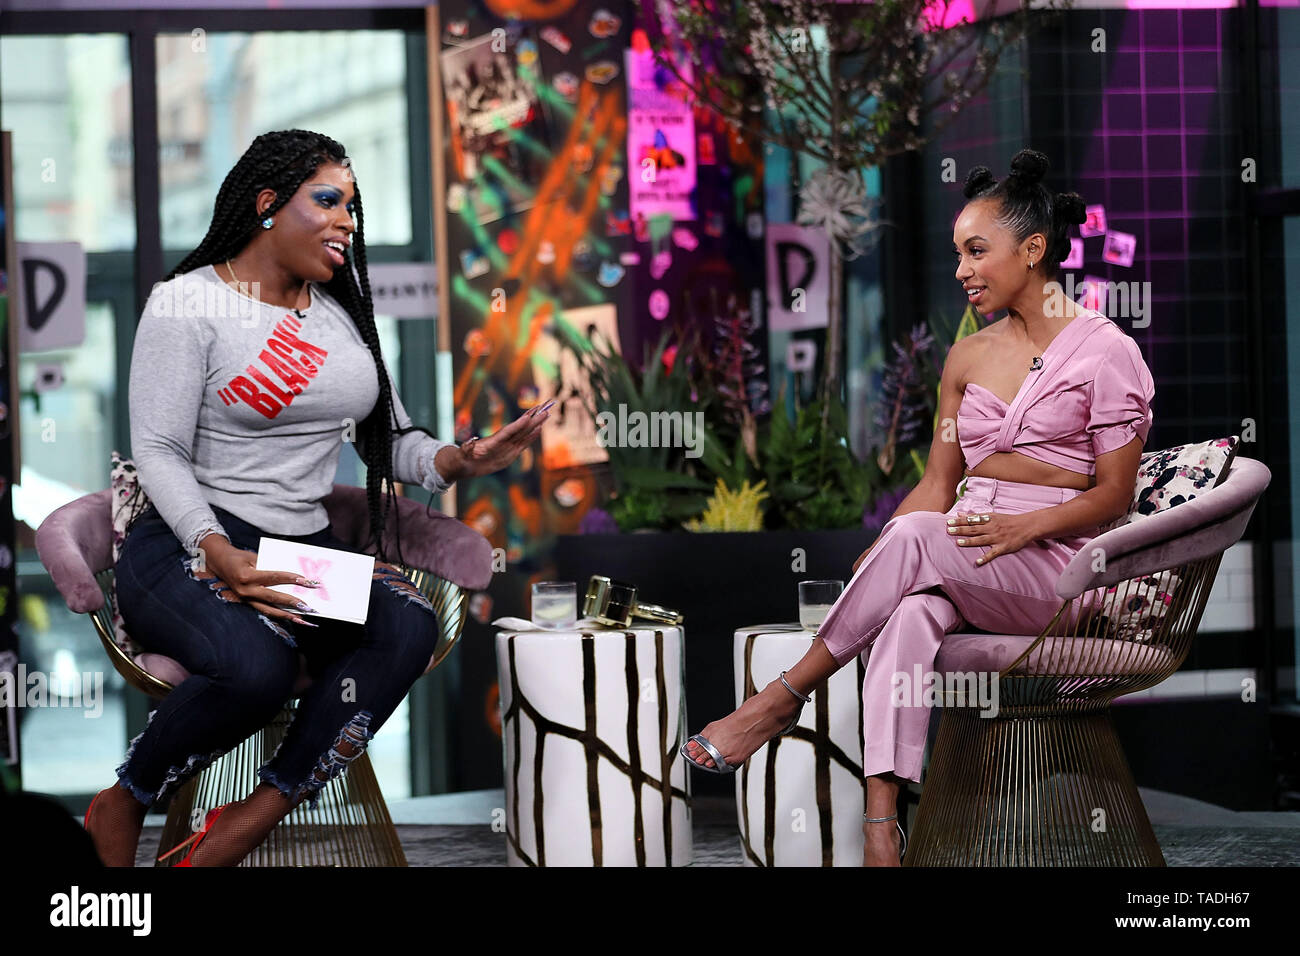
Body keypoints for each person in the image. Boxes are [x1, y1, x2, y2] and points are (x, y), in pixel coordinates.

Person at [85, 129, 548, 867]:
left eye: (353, 207)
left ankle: (252, 815)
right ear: (267, 205)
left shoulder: (341, 315)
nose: (347, 222)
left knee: (405, 625)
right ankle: (125, 797)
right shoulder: (187, 305)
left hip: (296, 550)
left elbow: (386, 440)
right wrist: (219, 552)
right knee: (255, 670)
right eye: (327, 200)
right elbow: (160, 453)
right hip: (183, 546)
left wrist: (460, 458)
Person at [681, 148, 1155, 867]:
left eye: (976, 251)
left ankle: (778, 699)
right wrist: (888, 551)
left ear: (1032, 250)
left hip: (1058, 572)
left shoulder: (1106, 351)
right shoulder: (966, 359)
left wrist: (1018, 525)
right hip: (965, 550)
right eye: (957, 253)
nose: (961, 269)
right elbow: (938, 486)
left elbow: (1114, 495)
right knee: (905, 609)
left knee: (918, 541)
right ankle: (883, 830)